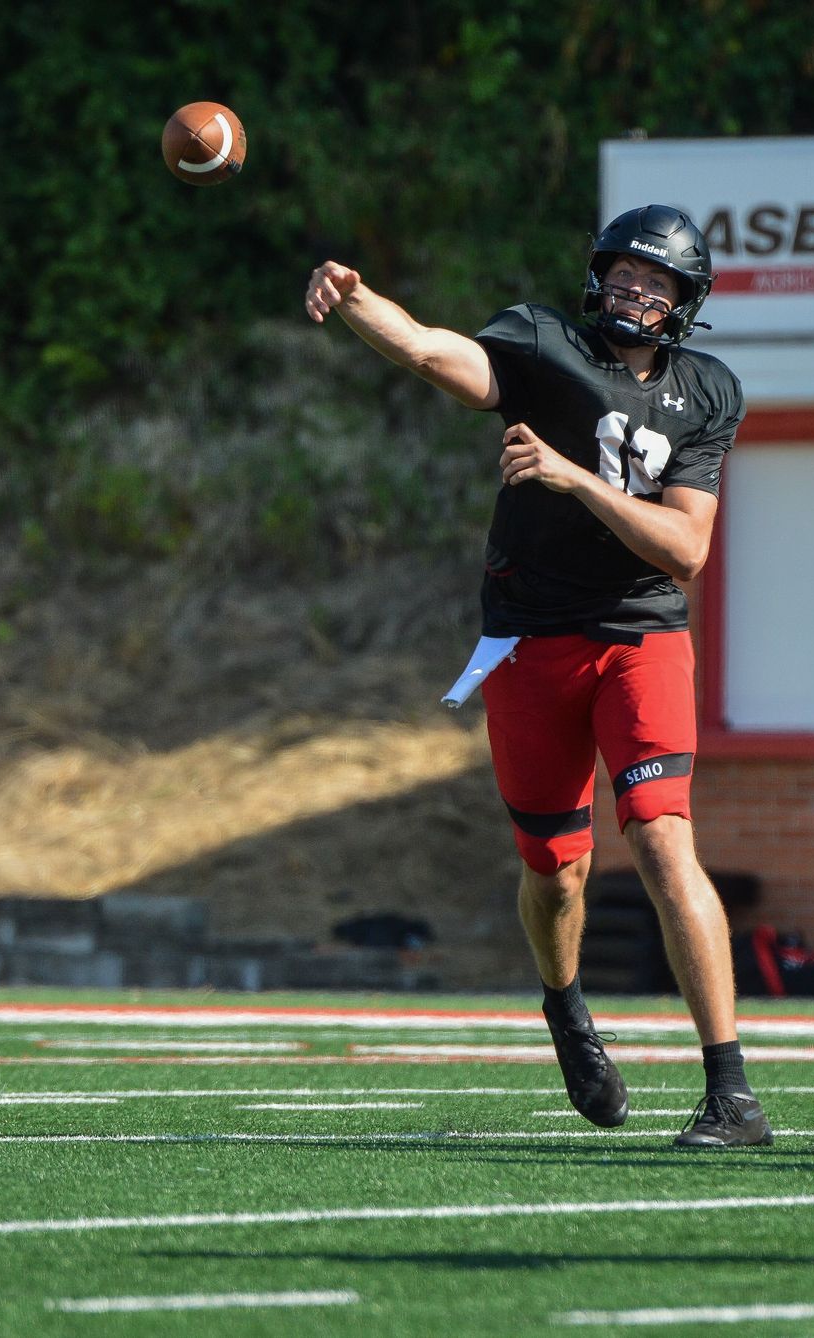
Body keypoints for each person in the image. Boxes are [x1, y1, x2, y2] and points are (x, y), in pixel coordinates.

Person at [303, 205, 771, 1148]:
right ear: (598, 275)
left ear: (685, 300)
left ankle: (732, 1093)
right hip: (527, 639)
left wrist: (573, 478)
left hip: (640, 635)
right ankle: (565, 1006)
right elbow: (433, 352)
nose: (636, 290)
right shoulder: (541, 339)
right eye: (625, 272)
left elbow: (685, 550)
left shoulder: (707, 391)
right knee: (556, 871)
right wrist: (358, 301)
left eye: (657, 280)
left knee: (662, 839)